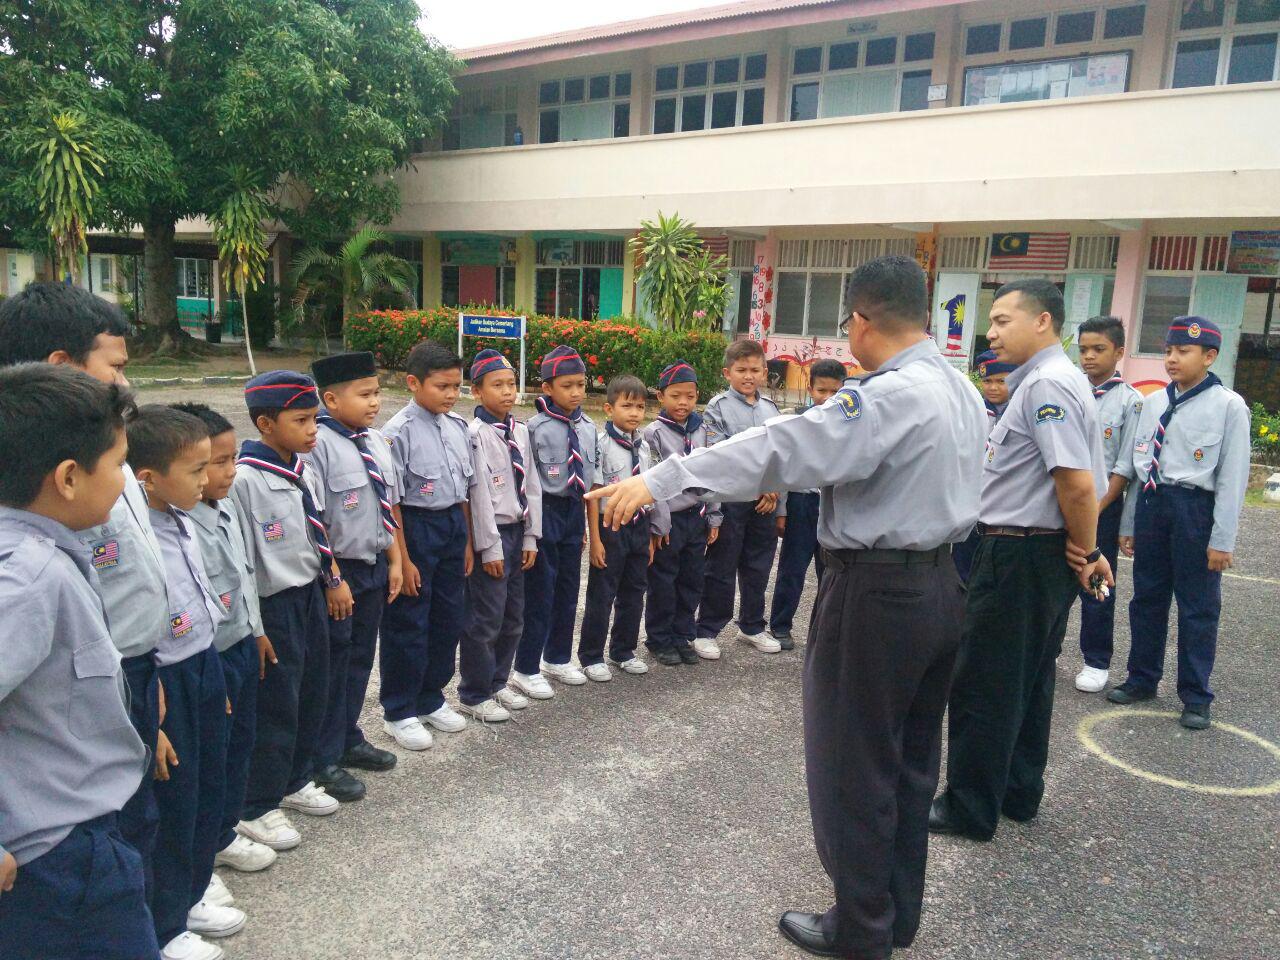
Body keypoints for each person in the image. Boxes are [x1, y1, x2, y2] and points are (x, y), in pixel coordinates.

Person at [591, 256, 987, 960]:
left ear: (862, 320)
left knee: (855, 766)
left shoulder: (888, 395)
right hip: (938, 587)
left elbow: (784, 446)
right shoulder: (956, 386)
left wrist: (667, 476)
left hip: (877, 596)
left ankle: (861, 929)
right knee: (909, 764)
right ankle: (895, 915)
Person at [0, 283, 170, 910]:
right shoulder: (28, 571)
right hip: (54, 847)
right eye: (117, 367)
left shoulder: (66, 463)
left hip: (110, 681)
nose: (126, 383)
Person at [930, 279, 1112, 843]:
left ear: (1043, 322)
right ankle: (1016, 791)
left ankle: (969, 806)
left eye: (1004, 319)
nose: (992, 330)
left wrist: (1088, 550)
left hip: (1019, 552)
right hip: (1034, 550)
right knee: (1028, 680)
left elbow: (1077, 484)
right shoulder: (1051, 380)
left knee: (986, 680)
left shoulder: (1045, 386)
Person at [129, 407, 245, 957]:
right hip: (164, 676)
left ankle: (191, 894)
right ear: (148, 477)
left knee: (206, 787)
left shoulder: (183, 513)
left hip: (203, 661)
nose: (208, 480)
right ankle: (165, 924)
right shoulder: (122, 535)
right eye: (196, 470)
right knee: (172, 802)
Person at [1106, 317, 1250, 730]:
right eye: (1168, 350)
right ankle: (1142, 678)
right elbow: (1139, 469)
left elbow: (1232, 479)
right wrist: (1129, 525)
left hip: (1195, 511)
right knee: (1147, 598)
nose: (1172, 359)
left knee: (1198, 608)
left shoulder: (1228, 406)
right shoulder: (1153, 403)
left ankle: (1195, 694)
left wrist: (1222, 540)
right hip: (1154, 505)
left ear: (1209, 356)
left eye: (1183, 352)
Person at [230, 371, 338, 853]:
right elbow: (242, 561)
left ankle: (296, 778)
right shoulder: (245, 480)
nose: (314, 428)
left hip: (309, 593)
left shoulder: (302, 467)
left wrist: (333, 580)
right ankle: (257, 804)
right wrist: (254, 628)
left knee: (312, 688)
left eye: (315, 418)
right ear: (265, 423)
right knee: (276, 701)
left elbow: (318, 533)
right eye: (301, 420)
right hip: (272, 605)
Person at [172, 404, 279, 885]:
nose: (228, 472)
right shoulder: (177, 524)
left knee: (237, 746)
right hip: (206, 655)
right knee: (206, 760)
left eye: (232, 459)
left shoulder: (226, 506)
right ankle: (199, 854)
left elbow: (242, 573)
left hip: (239, 643)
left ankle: (223, 832)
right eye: (216, 463)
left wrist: (256, 630)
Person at [307, 352, 403, 792]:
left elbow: (390, 508)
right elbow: (315, 521)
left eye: (377, 393)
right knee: (333, 664)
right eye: (364, 394)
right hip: (339, 574)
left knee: (362, 658)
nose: (374, 403)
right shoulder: (318, 446)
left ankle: (348, 738)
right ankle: (322, 757)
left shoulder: (376, 442)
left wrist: (396, 560)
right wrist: (332, 580)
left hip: (374, 566)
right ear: (330, 399)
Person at [380, 342, 474, 749]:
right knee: (409, 622)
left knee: (448, 617)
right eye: (442, 386)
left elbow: (464, 491)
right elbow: (393, 501)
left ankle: (431, 697)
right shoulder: (396, 433)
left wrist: (468, 541)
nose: (452, 394)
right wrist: (402, 557)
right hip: (414, 528)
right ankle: (399, 711)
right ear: (414, 383)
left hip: (452, 525)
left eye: (456, 386)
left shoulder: (457, 426)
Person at [512, 345, 600, 696]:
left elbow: (590, 478)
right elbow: (528, 483)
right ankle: (526, 666)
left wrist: (583, 526)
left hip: (572, 512)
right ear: (547, 388)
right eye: (567, 385)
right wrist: (530, 531)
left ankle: (558, 657)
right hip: (544, 510)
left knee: (567, 589)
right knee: (539, 592)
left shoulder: (590, 427)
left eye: (580, 384)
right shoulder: (533, 428)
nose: (576, 392)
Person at [459, 349, 542, 722]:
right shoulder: (474, 435)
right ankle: (474, 693)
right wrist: (489, 547)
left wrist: (530, 537)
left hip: (517, 531)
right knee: (485, 618)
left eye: (511, 384)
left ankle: (498, 682)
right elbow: (476, 495)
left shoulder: (520, 431)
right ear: (477, 392)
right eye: (497, 385)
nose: (507, 392)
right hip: (492, 537)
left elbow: (534, 488)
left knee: (513, 616)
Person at [696, 339, 785, 658]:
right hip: (732, 500)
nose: (749, 376)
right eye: (741, 370)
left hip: (765, 502)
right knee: (721, 566)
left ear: (765, 372)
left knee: (758, 565)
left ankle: (752, 625)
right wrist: (758, 484)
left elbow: (779, 456)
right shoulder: (717, 408)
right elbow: (722, 455)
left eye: (755, 370)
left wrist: (775, 493)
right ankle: (707, 629)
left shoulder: (771, 409)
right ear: (727, 372)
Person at [579, 374, 667, 679]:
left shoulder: (644, 447)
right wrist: (596, 539)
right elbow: (592, 493)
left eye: (640, 407)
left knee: (634, 590)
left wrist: (653, 534)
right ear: (608, 408)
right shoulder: (601, 446)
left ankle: (623, 650)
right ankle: (591, 656)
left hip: (639, 527)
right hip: (610, 526)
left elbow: (652, 490)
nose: (634, 413)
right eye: (627, 405)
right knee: (602, 593)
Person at [1073, 316, 1143, 694]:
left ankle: (1096, 660)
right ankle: (1046, 647)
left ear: (1118, 352)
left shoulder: (1130, 402)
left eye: (1098, 350)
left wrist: (1095, 508)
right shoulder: (1068, 390)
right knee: (1053, 577)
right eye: (1083, 349)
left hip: (1102, 507)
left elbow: (1124, 466)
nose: (1088, 357)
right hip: (1062, 503)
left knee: (1097, 581)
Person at [641, 360, 721, 667]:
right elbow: (653, 482)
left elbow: (711, 473)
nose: (683, 402)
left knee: (691, 579)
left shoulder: (703, 431)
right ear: (661, 396)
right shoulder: (654, 434)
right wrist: (660, 525)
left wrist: (714, 516)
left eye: (689, 395)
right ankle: (659, 638)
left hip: (696, 517)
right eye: (675, 395)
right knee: (663, 580)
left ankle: (682, 635)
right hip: (669, 519)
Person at [766, 358, 845, 648]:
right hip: (802, 503)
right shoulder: (800, 424)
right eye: (822, 390)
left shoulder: (849, 427)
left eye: (835, 392)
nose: (827, 398)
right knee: (792, 568)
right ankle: (780, 626)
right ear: (810, 389)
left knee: (830, 573)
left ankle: (821, 631)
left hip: (834, 505)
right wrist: (782, 511)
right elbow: (787, 469)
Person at [952, 350, 1017, 583]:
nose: (993, 387)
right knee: (963, 572)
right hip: (971, 507)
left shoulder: (1020, 413)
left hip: (1008, 511)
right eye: (987, 381)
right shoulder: (971, 412)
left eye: (1001, 381)